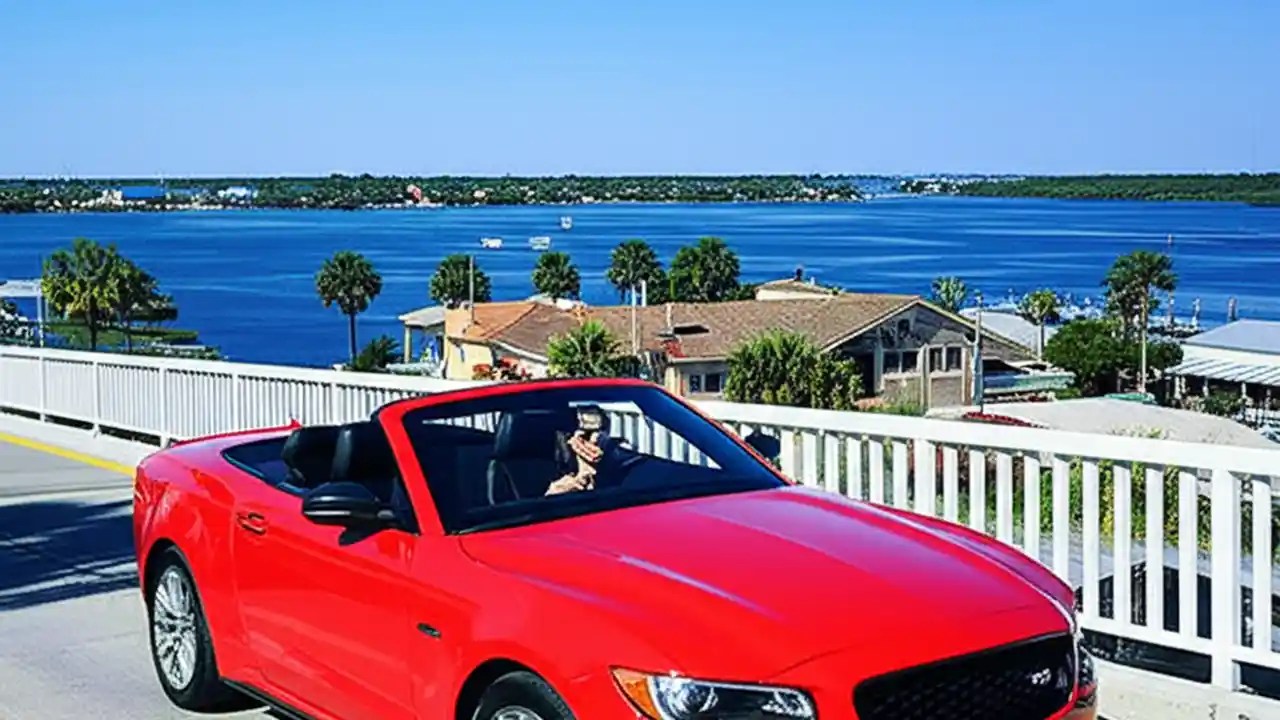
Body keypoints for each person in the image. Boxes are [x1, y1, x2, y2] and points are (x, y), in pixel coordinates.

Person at [545, 405, 609, 495]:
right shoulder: (560, 486)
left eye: (599, 435)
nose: (593, 441)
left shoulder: (614, 467)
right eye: (585, 437)